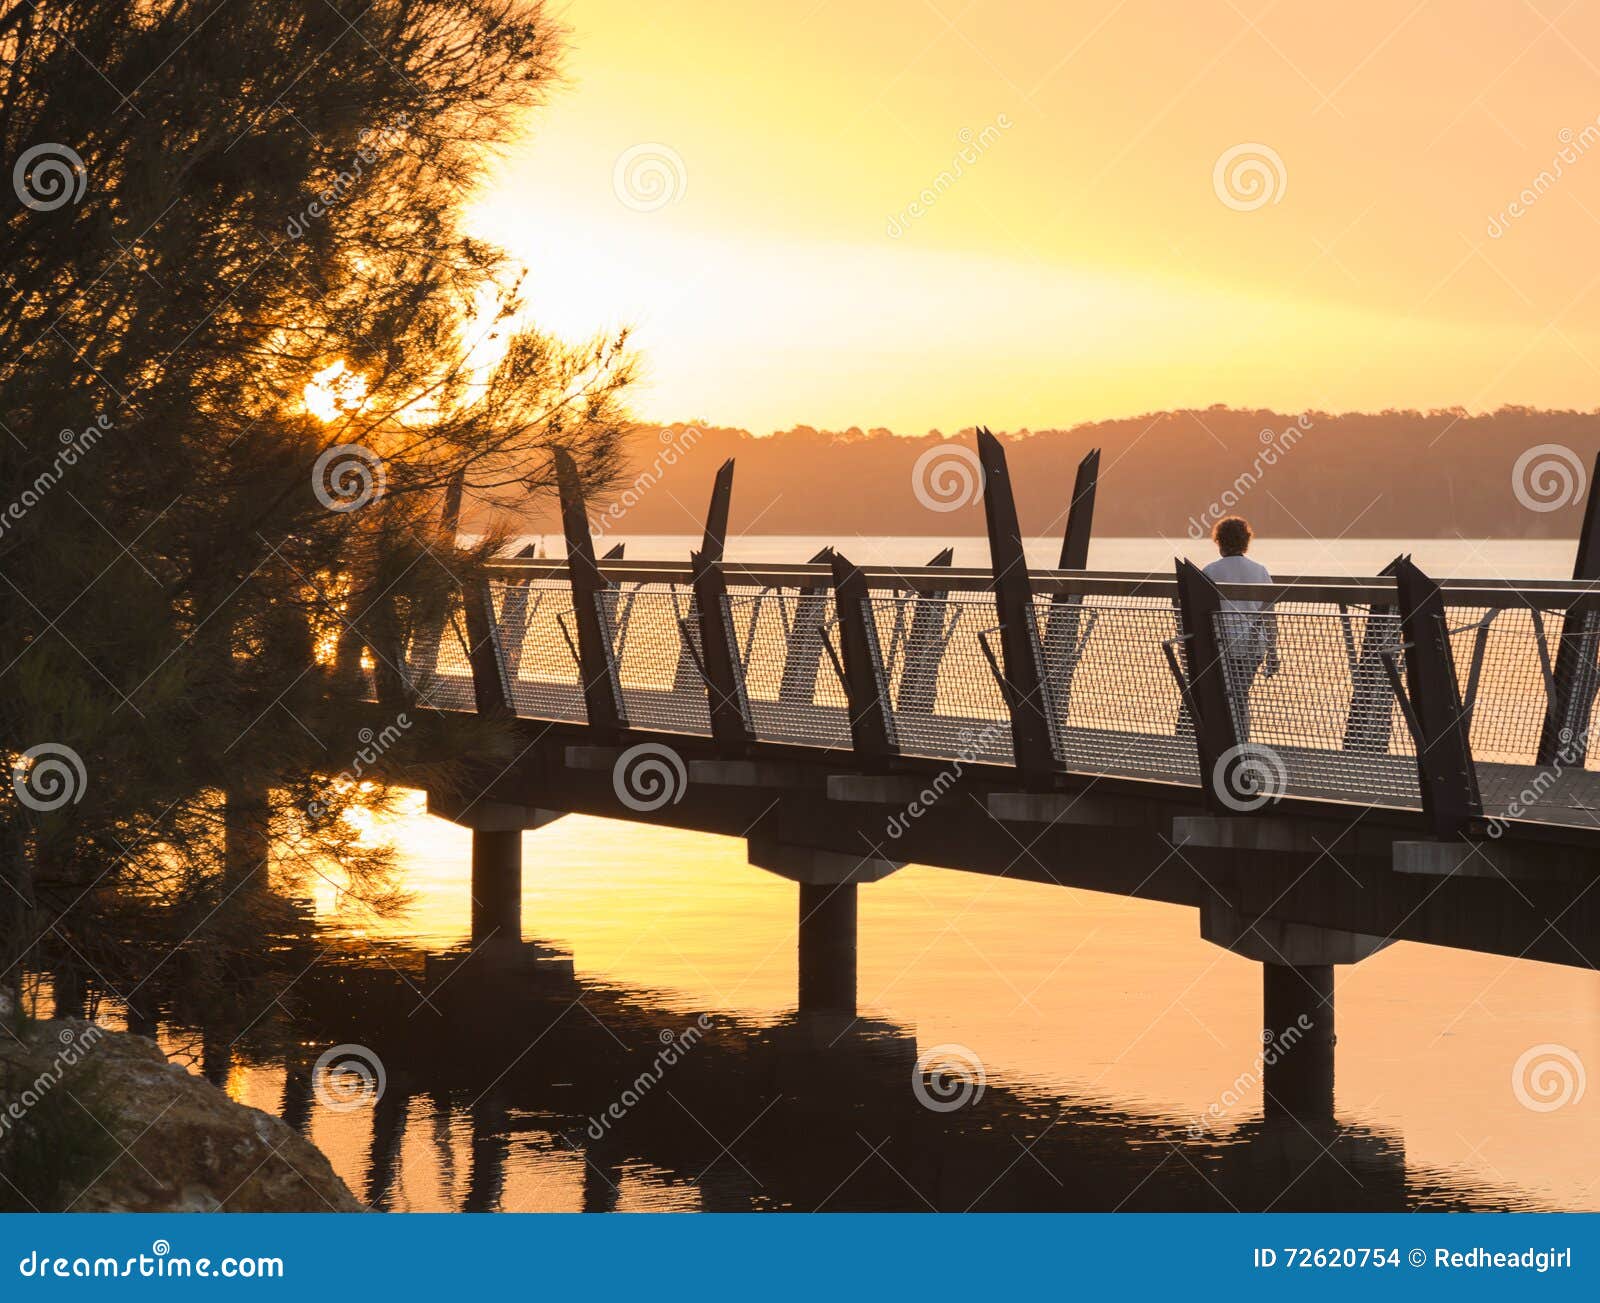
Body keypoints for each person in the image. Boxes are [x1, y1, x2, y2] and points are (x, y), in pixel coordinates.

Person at [1202, 516, 1278, 737]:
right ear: (1246, 541)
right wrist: (1273, 652)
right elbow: (1269, 615)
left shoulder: (1209, 571)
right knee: (1241, 694)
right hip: (1252, 646)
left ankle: (1231, 739)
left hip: (1221, 644)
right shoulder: (1260, 571)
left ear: (1219, 541)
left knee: (1225, 697)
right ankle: (1241, 737)